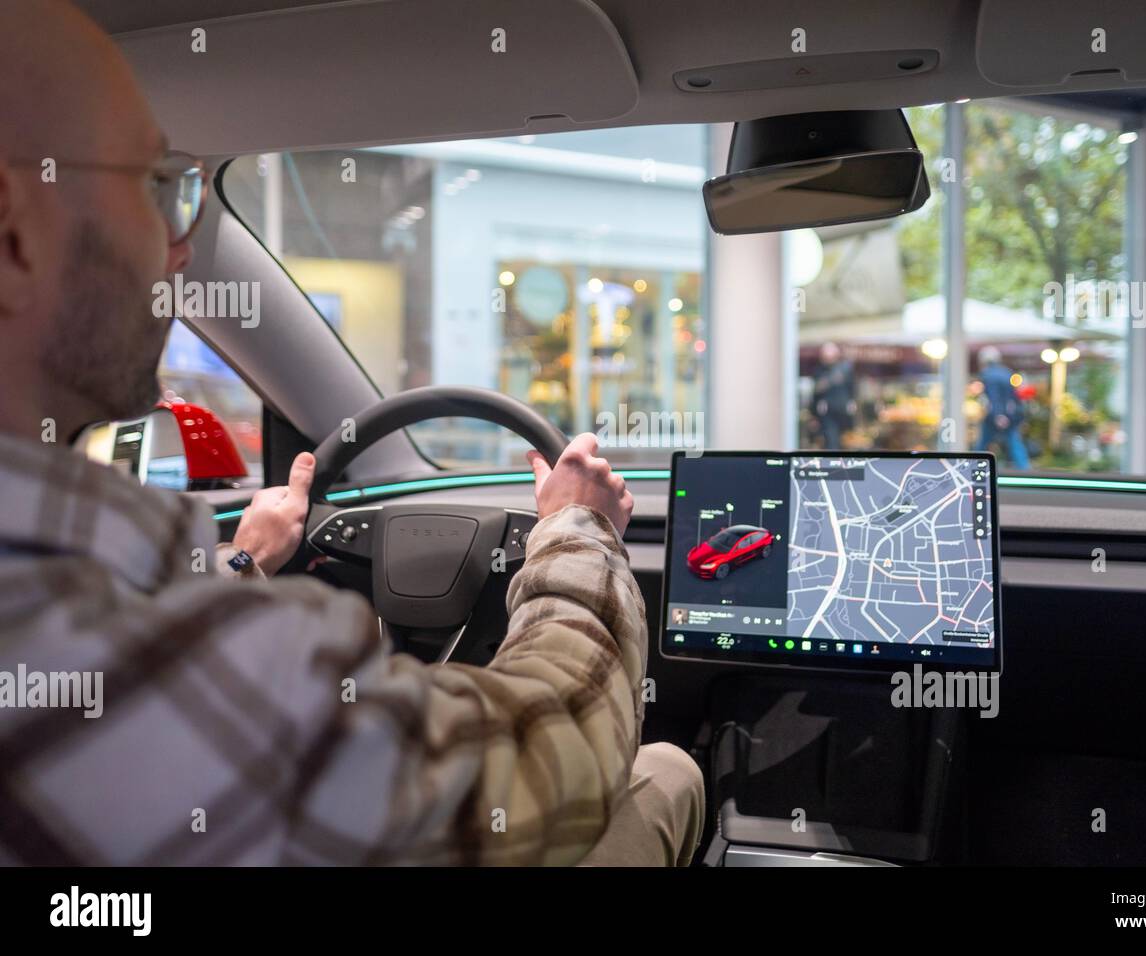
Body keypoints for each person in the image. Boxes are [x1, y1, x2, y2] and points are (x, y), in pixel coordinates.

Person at [0, 0, 702, 866]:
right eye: (156, 187)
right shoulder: (127, 663)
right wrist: (574, 531)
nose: (179, 251)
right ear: (12, 229)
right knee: (667, 770)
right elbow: (542, 750)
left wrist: (242, 562)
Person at [974, 346, 1031, 470]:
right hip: (1010, 415)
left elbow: (994, 397)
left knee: (982, 444)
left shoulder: (987, 374)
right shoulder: (1007, 372)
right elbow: (1014, 396)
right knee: (1014, 441)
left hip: (995, 415)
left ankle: (974, 468)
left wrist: (999, 414)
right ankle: (1025, 470)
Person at [810, 342, 857, 449]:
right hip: (827, 413)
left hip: (843, 412)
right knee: (831, 442)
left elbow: (852, 389)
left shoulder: (845, 369)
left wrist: (851, 405)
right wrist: (814, 415)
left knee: (846, 441)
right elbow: (815, 395)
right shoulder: (820, 371)